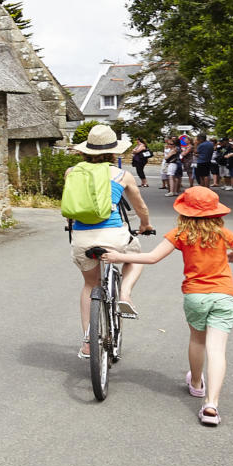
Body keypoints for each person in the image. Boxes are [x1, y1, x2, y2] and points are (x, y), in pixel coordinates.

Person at [103, 186, 233, 426]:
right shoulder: (224, 234)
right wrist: (230, 253)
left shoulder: (180, 233)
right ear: (215, 213)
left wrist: (119, 257)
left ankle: (195, 384)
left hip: (196, 296)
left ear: (185, 211)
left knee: (197, 340)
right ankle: (211, 405)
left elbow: (151, 258)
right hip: (224, 295)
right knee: (217, 350)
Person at [68, 124, 154, 359]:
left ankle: (87, 341)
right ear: (113, 152)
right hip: (114, 235)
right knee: (136, 257)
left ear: (86, 151)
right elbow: (140, 207)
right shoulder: (121, 175)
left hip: (82, 237)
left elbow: (70, 205)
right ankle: (124, 294)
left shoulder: (72, 172)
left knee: (90, 285)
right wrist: (145, 225)